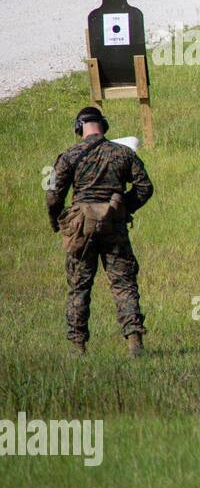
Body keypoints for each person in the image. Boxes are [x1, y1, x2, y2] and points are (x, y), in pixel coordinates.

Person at [46, 107, 154, 357]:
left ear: (79, 127)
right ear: (103, 126)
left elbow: (52, 196)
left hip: (81, 230)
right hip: (114, 227)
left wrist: (58, 222)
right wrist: (122, 208)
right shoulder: (123, 153)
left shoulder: (68, 157)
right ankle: (134, 342)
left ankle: (77, 347)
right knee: (124, 284)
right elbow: (145, 187)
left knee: (79, 286)